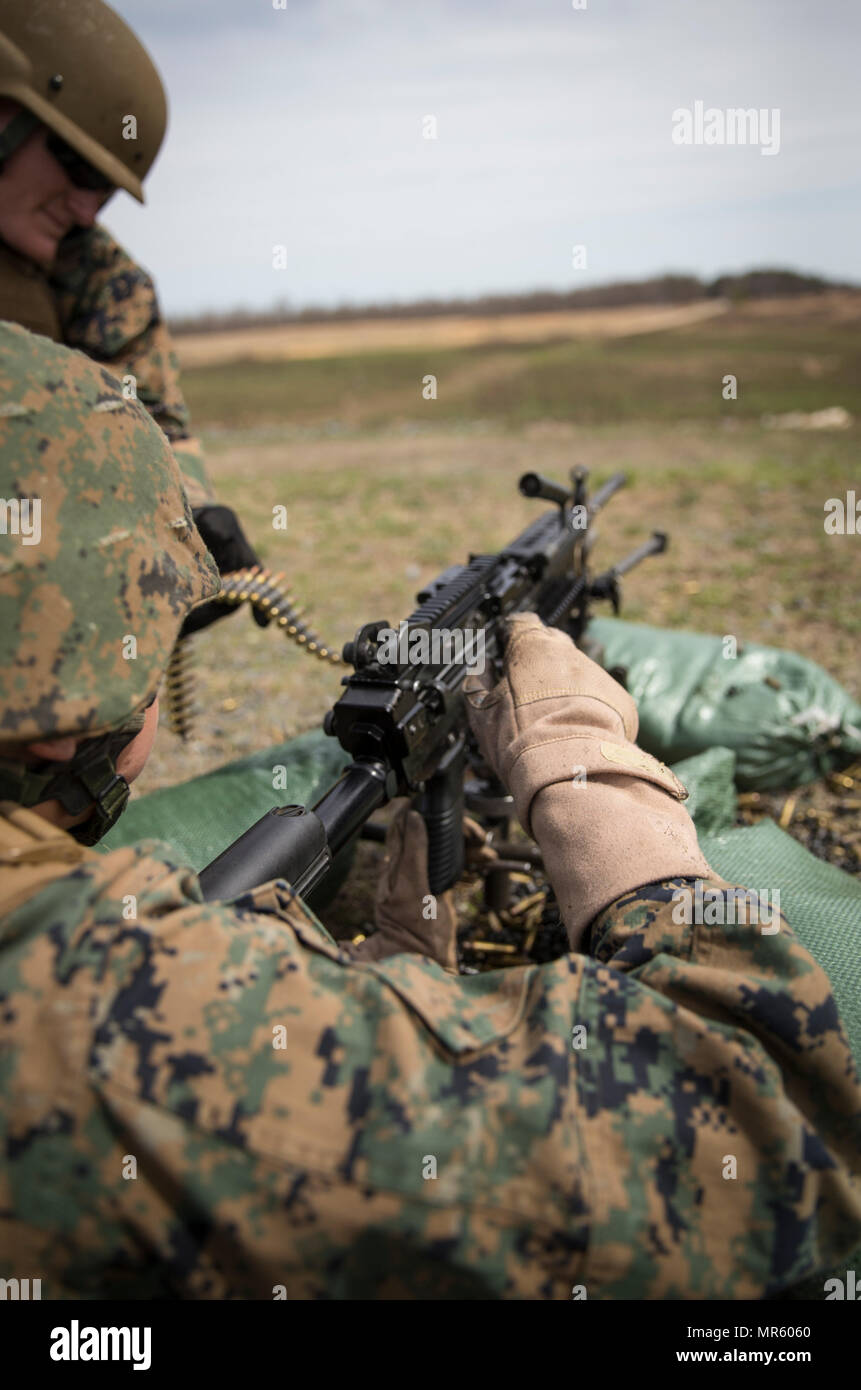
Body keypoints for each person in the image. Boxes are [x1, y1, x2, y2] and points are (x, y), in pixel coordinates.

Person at [1, 324, 859, 1300]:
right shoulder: (87, 1010)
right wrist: (587, 766)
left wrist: (356, 990)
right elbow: (768, 1122)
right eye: (153, 638)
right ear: (63, 712)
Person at [0, 0, 264, 628]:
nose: (88, 209)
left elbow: (152, 423)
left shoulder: (96, 279)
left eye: (107, 188)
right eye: (83, 168)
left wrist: (188, 520)